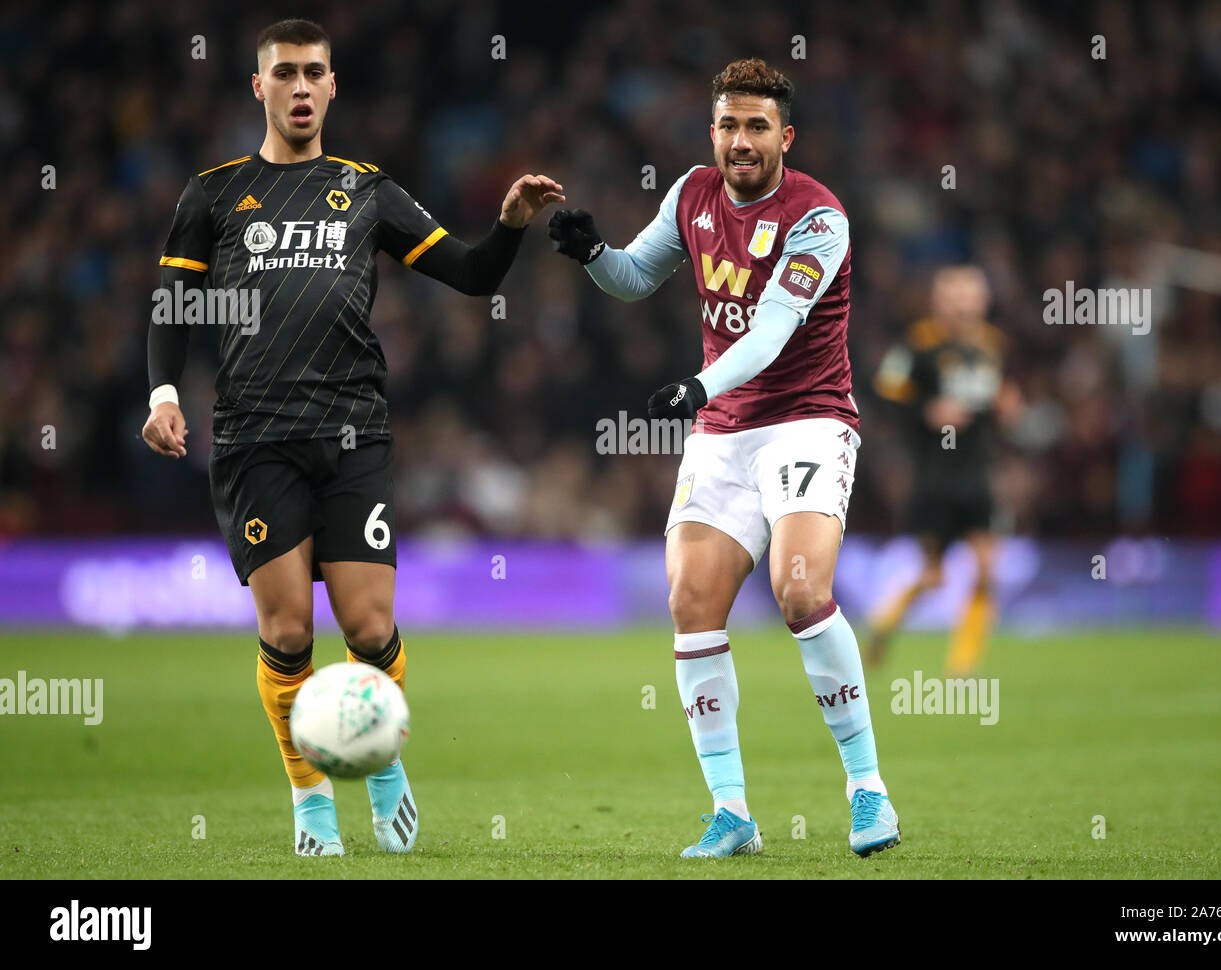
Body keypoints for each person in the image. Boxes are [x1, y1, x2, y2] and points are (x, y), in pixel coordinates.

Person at [141, 18, 562, 856]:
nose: (301, 87)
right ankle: (310, 802)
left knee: (369, 630)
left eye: (315, 74)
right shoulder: (213, 195)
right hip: (255, 436)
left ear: (334, 87)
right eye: (285, 73)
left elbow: (473, 277)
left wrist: (510, 225)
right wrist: (160, 392)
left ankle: (384, 770)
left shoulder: (367, 190)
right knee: (290, 632)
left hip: (353, 429)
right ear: (258, 88)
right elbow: (174, 307)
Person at [549, 58, 898, 858]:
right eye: (728, 126)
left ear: (786, 136)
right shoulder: (691, 194)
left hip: (806, 419)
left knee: (801, 591)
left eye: (757, 127)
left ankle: (868, 789)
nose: (741, 142)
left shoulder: (820, 218)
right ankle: (732, 813)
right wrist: (594, 252)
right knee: (689, 601)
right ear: (712, 130)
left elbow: (773, 330)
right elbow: (638, 278)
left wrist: (696, 388)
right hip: (723, 429)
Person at [868, 265, 1019, 676]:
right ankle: (883, 624)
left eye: (971, 295)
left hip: (978, 474)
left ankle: (962, 666)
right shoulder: (917, 346)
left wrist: (1008, 406)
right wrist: (925, 411)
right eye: (954, 295)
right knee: (933, 577)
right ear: (938, 301)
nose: (963, 304)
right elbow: (885, 393)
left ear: (983, 300)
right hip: (933, 476)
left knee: (987, 567)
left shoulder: (993, 346)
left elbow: (1002, 397)